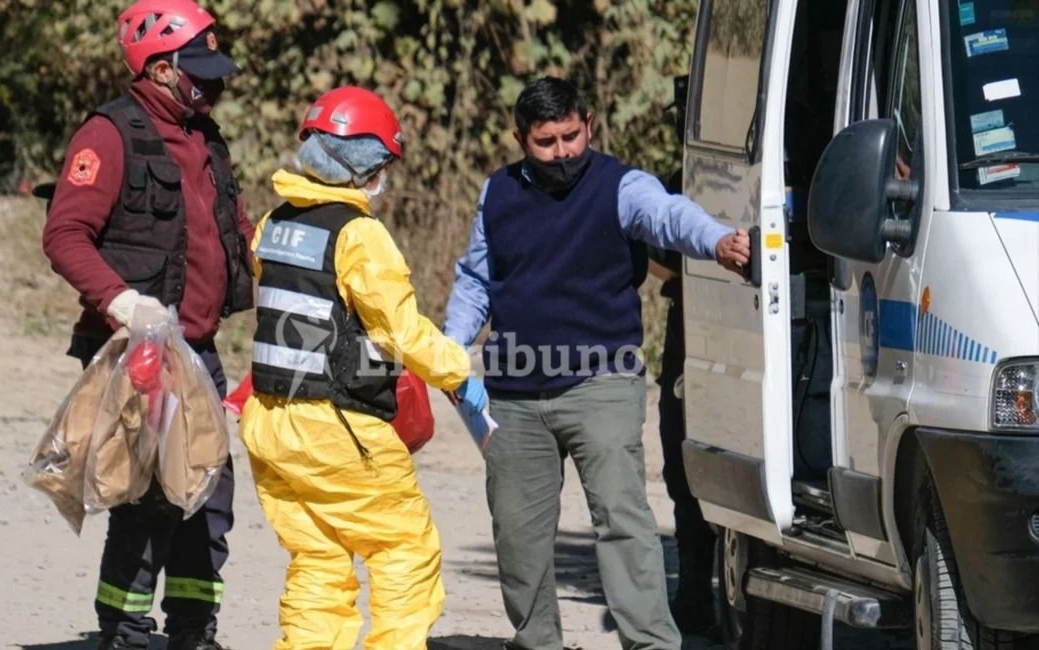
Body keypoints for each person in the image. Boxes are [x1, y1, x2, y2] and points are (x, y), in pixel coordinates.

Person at [443, 76, 750, 650]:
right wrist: (449, 348)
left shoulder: (622, 186)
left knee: (622, 519)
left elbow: (670, 216)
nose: (561, 152)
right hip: (512, 392)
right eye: (545, 142)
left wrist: (716, 242)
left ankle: (651, 642)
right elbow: (476, 279)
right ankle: (536, 642)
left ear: (589, 124)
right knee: (517, 532)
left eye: (570, 136)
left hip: (601, 381)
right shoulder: (498, 194)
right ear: (519, 139)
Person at [238, 86, 484, 650]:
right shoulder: (360, 235)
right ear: (362, 162)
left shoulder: (273, 226)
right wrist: (456, 369)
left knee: (319, 560)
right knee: (404, 549)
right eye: (383, 164)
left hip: (270, 423)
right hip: (338, 426)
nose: (384, 177)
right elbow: (398, 331)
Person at [41, 1, 253, 648]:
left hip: (198, 350)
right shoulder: (109, 134)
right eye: (202, 72)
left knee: (206, 500)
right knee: (146, 499)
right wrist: (121, 302)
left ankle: (192, 631)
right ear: (161, 69)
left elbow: (234, 232)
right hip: (137, 348)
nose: (214, 86)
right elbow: (65, 234)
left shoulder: (203, 136)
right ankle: (127, 630)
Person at [646, 75, 719, 635]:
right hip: (689, 330)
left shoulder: (711, 183)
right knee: (683, 465)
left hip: (710, 328)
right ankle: (695, 592)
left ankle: (704, 593)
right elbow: (660, 260)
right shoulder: (675, 186)